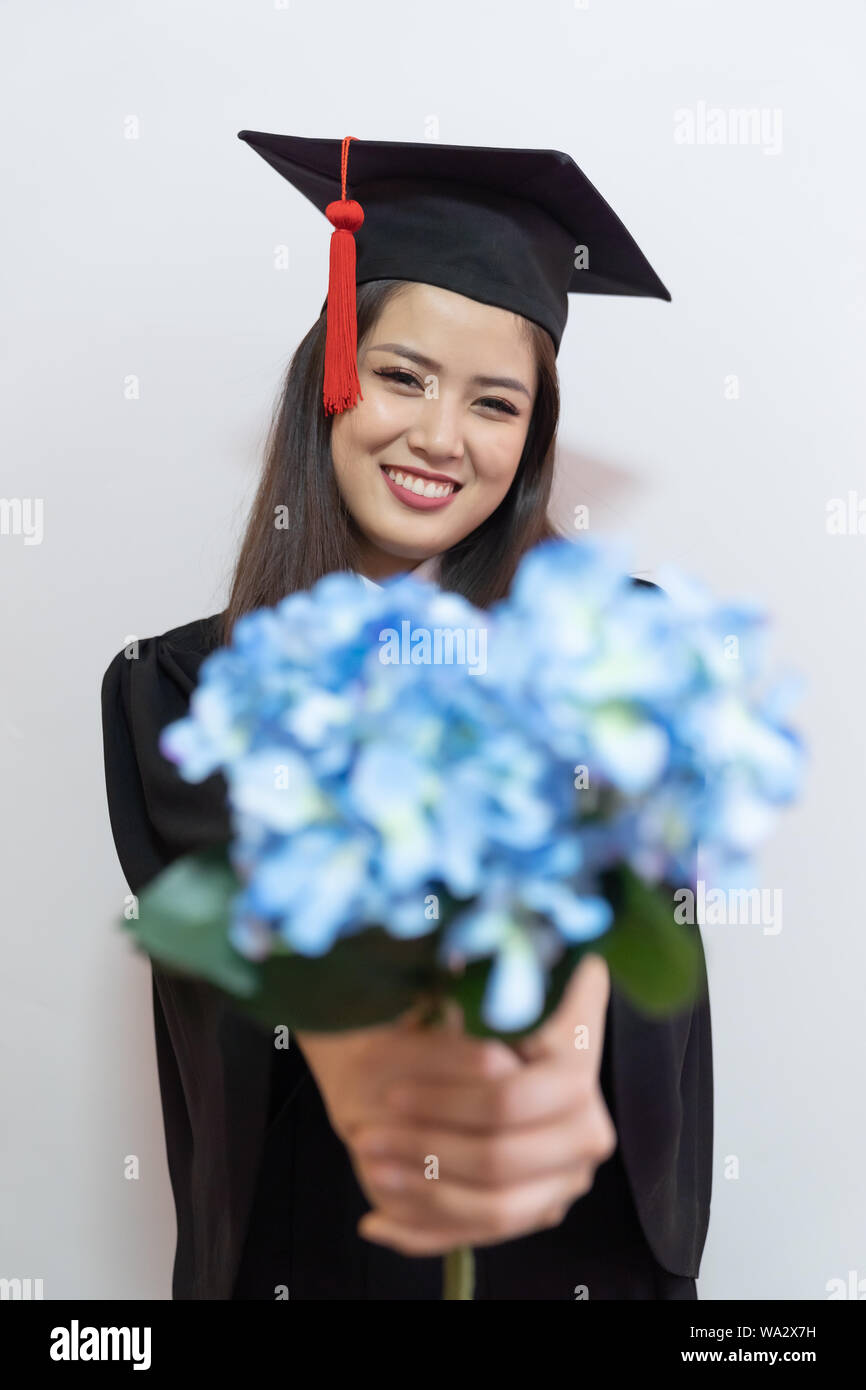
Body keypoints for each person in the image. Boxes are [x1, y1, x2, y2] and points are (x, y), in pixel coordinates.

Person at [100, 132, 712, 1300]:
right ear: (330, 377)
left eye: (495, 402)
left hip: (573, 1254)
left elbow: (649, 973)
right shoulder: (184, 688)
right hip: (324, 1246)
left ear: (529, 442)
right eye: (402, 375)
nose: (440, 437)